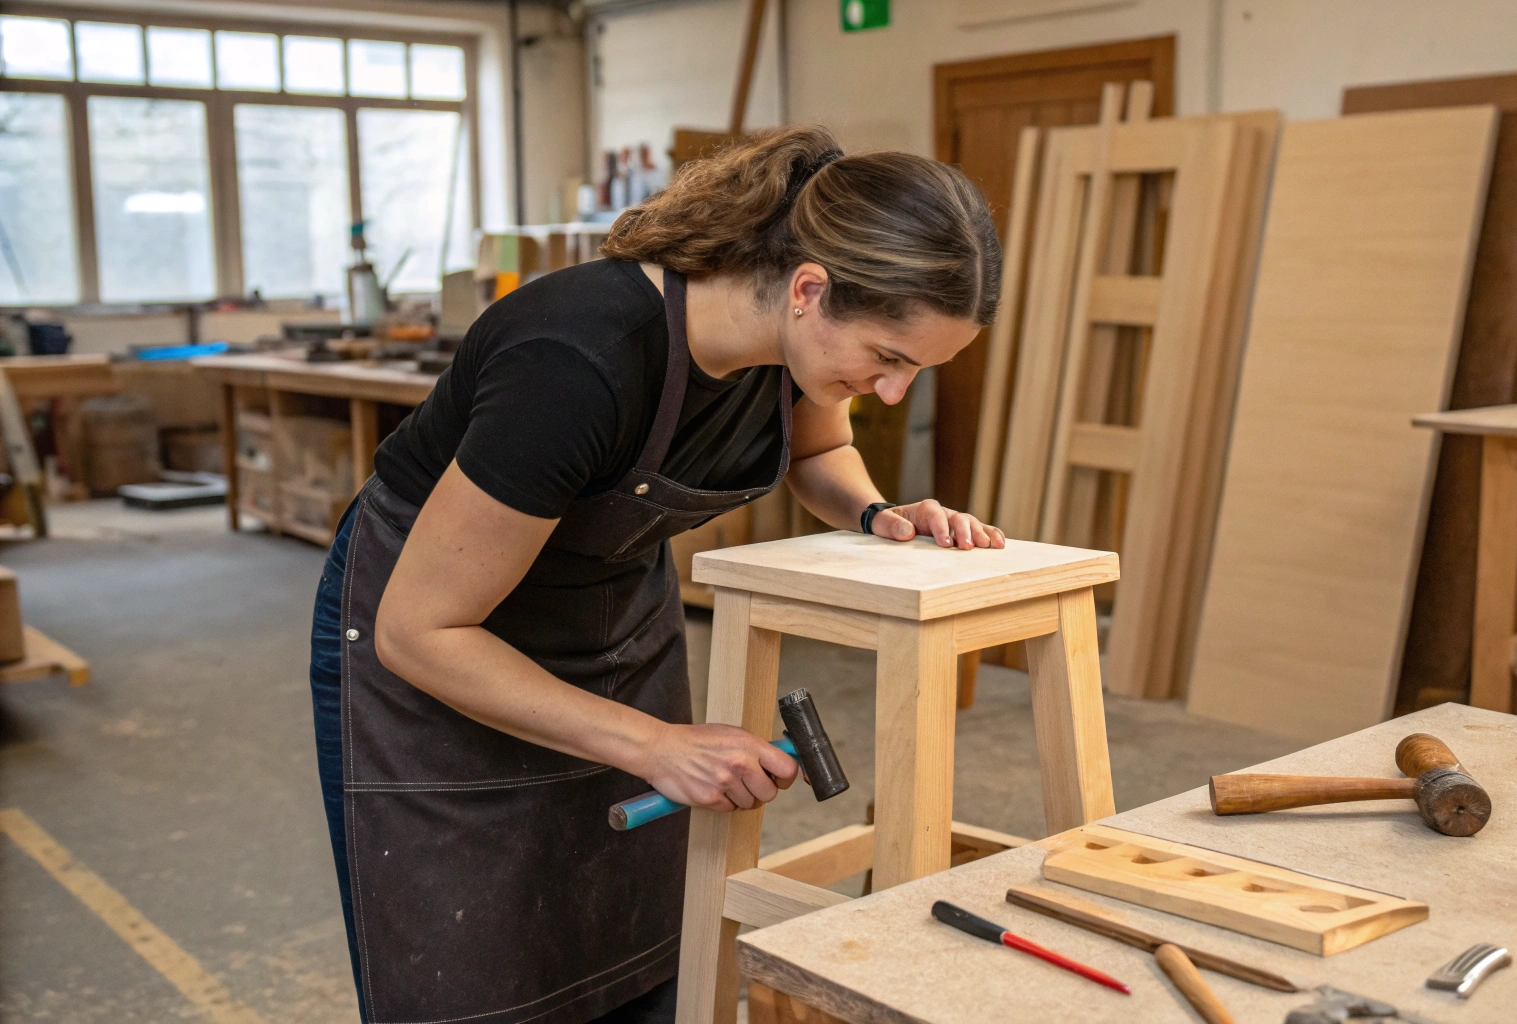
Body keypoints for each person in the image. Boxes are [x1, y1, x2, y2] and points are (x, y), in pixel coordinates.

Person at [308, 124, 1005, 1024]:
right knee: (476, 964)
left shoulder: (786, 344)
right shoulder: (576, 360)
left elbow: (818, 448)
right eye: (890, 358)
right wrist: (652, 744)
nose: (892, 392)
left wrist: (880, 513)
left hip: (612, 616)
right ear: (808, 290)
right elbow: (421, 631)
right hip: (439, 639)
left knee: (641, 941)